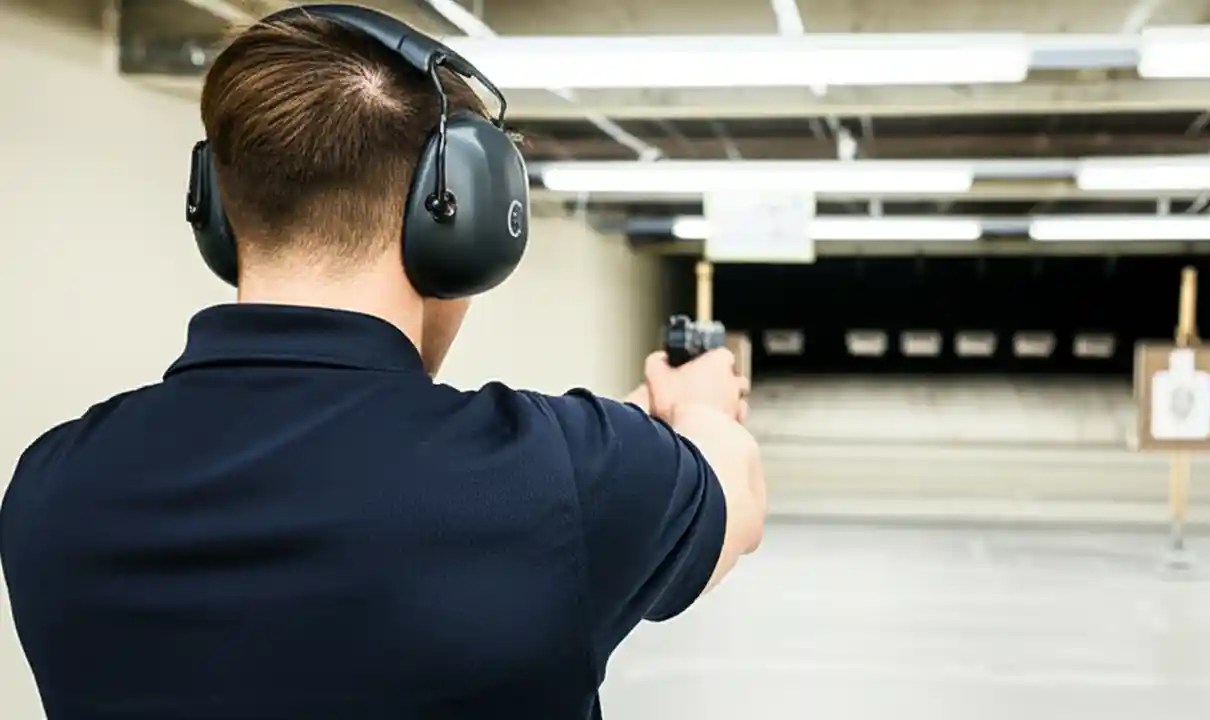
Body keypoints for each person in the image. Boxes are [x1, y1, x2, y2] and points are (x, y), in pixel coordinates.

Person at [0, 6, 765, 720]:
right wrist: (695, 404)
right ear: (461, 222)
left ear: (218, 213)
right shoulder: (569, 477)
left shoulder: (51, 488)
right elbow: (734, 494)